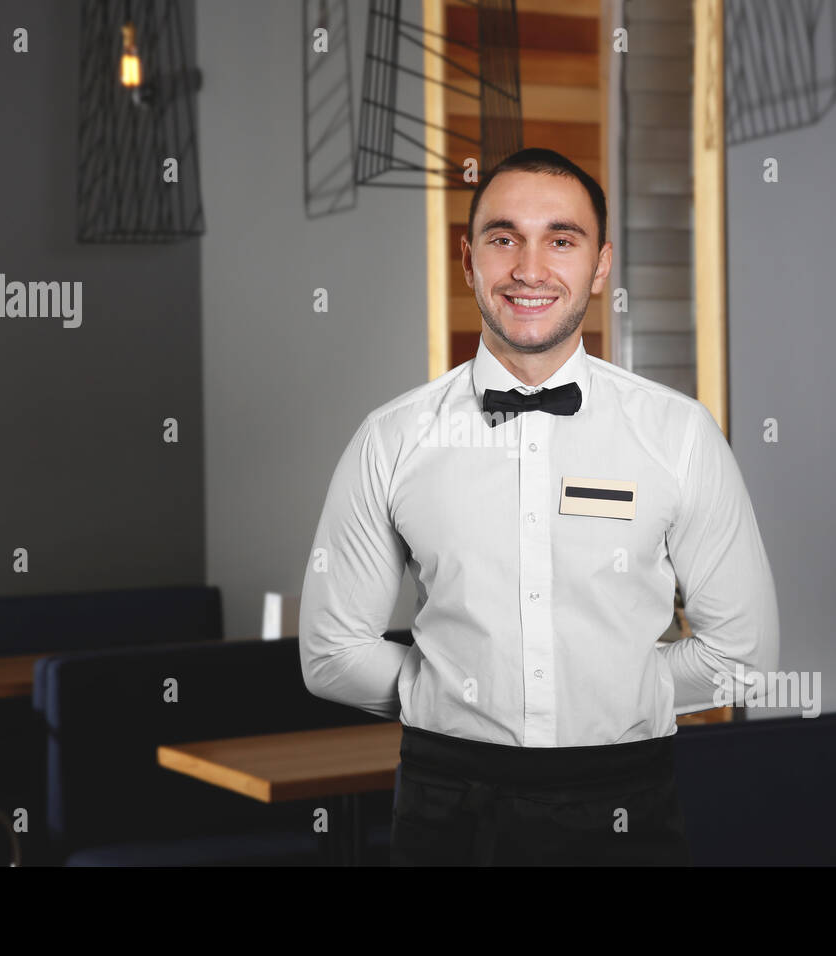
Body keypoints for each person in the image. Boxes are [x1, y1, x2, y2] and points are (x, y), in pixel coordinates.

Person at [299, 147, 780, 865]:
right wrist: (449, 694)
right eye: (503, 238)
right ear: (469, 261)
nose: (529, 269)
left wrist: (616, 692)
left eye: (561, 239)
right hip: (444, 805)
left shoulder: (679, 434)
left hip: (627, 803)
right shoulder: (391, 439)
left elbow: (743, 655)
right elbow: (331, 654)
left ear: (600, 264)